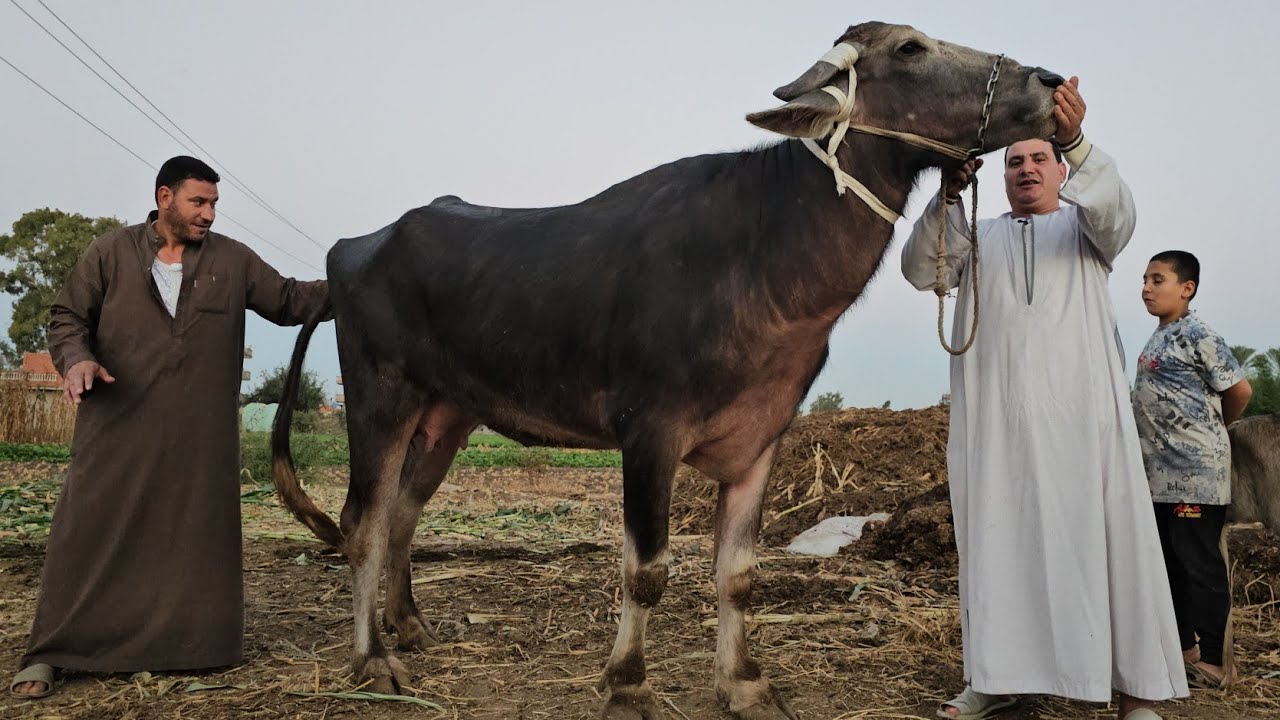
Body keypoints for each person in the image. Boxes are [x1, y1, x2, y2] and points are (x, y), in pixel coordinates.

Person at [900, 77, 1188, 720]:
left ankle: (1135, 691)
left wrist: (1079, 139)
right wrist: (947, 195)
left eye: (1039, 159)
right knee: (1000, 541)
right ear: (999, 177)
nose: (1025, 170)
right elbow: (923, 269)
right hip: (998, 427)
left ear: (1061, 169)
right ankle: (996, 679)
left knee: (1109, 542)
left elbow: (1118, 212)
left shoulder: (1088, 233)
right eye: (1013, 163)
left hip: (1084, 424)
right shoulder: (980, 233)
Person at [9, 156, 328, 698]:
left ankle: (189, 650)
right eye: (198, 202)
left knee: (191, 536)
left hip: (199, 435)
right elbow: (67, 317)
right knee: (86, 529)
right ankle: (51, 651)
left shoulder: (234, 260)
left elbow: (292, 300)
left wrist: (368, 277)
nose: (208, 215)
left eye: (213, 205)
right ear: (164, 197)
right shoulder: (110, 252)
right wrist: (76, 360)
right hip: (115, 424)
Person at [1133, 250, 1252, 690]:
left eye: (1157, 279)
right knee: (1169, 564)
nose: (1146, 287)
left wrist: (1216, 429)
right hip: (1159, 478)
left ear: (1187, 288)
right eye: (1144, 279)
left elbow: (1239, 389)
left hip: (1196, 477)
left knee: (1199, 566)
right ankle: (1186, 649)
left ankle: (1220, 663)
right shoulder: (1160, 336)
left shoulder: (1198, 334)